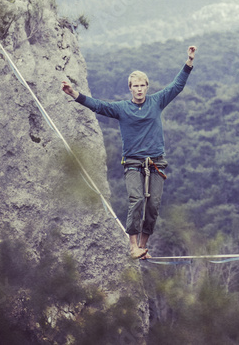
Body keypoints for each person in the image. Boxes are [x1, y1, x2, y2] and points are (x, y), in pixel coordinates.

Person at [61, 46, 196, 259]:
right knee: (136, 199)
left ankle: (143, 245)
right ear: (130, 88)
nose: (139, 89)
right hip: (133, 162)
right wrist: (73, 94)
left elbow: (176, 86)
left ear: (147, 87)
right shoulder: (122, 108)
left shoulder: (157, 101)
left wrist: (188, 62)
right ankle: (133, 245)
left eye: (143, 85)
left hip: (156, 163)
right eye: (135, 86)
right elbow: (98, 105)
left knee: (153, 204)